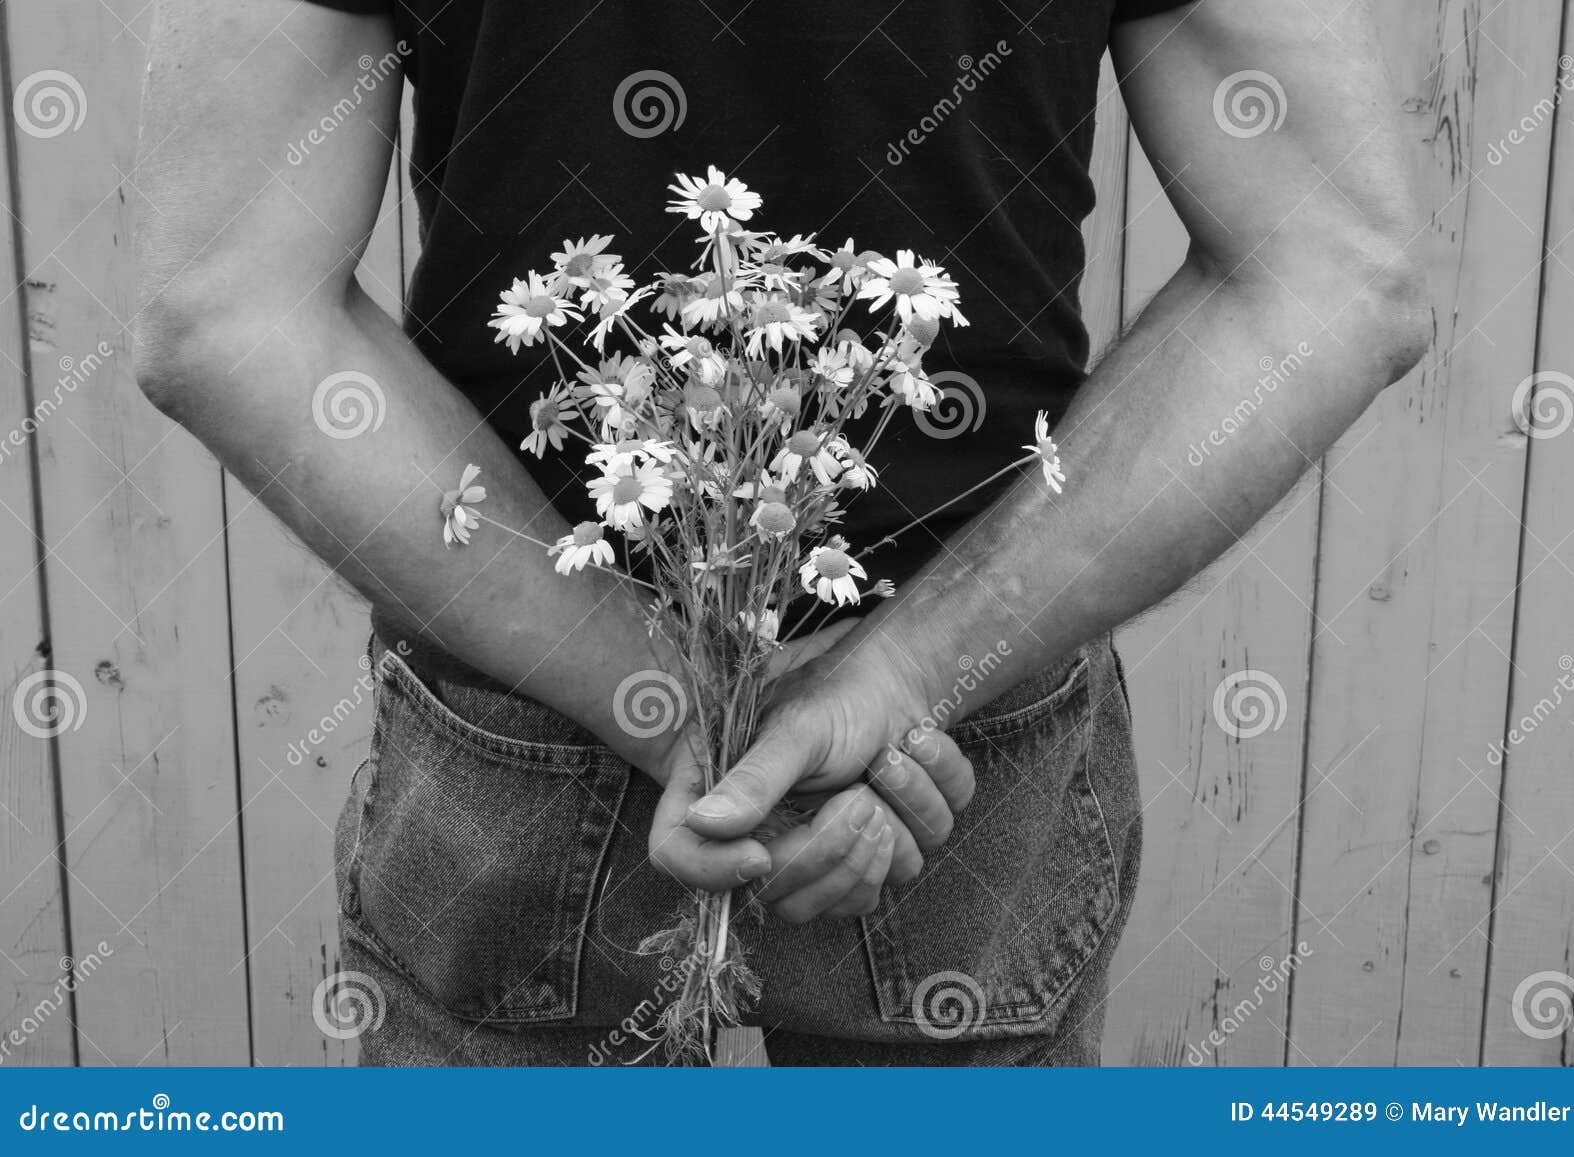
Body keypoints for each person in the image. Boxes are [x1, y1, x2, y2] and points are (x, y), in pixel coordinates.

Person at [133, 0, 1427, 1065]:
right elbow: (1332, 274)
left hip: (538, 712)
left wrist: (656, 695)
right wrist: (911, 671)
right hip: (944, 750)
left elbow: (225, 309)